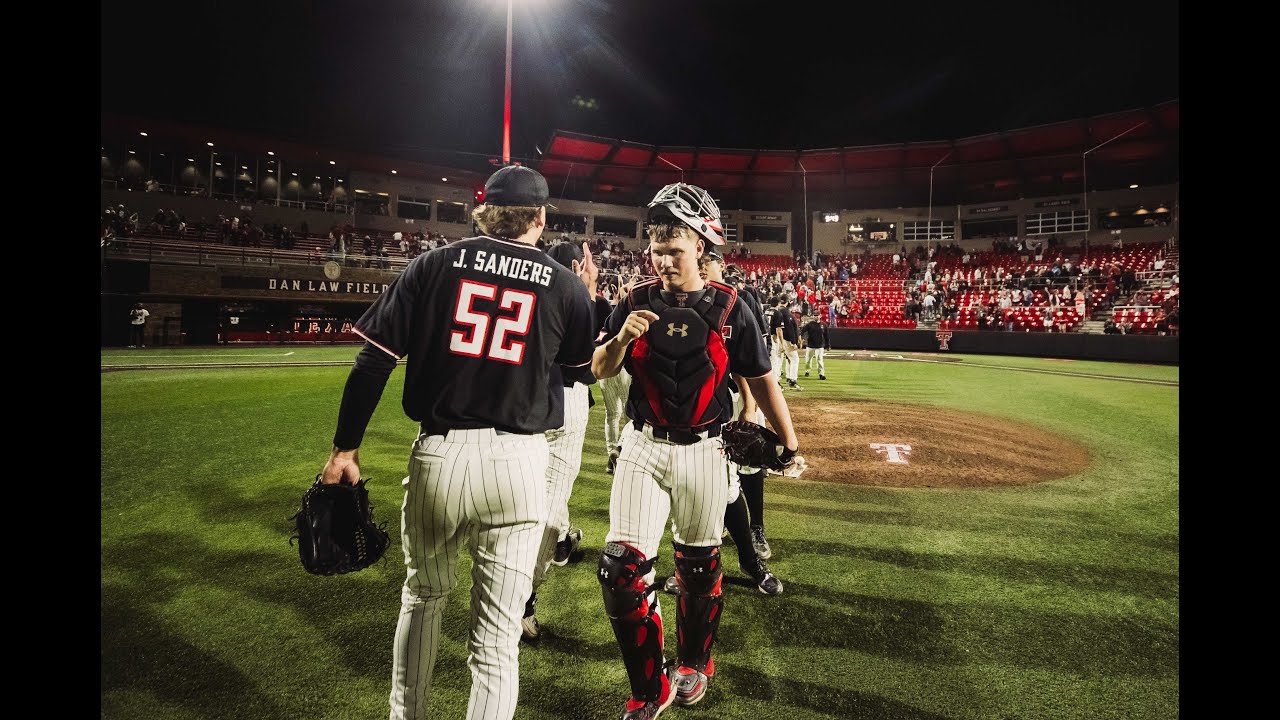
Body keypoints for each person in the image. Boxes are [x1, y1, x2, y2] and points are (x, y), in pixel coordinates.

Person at [316, 165, 596, 720]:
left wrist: (345, 449)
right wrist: (583, 302)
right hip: (520, 463)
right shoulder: (565, 284)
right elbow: (579, 372)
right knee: (495, 642)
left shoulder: (434, 264)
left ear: (483, 211)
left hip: (441, 455)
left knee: (423, 600)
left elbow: (373, 360)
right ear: (540, 218)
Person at [592, 182, 800, 718]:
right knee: (620, 570)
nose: (663, 260)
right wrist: (618, 340)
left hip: (706, 449)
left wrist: (790, 442)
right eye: (657, 249)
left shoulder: (733, 308)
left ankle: (692, 663)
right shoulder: (632, 301)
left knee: (700, 568)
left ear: (702, 247)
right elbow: (600, 371)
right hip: (643, 445)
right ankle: (647, 689)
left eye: (674, 250)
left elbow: (764, 378)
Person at [520, 240, 605, 642]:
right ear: (576, 263)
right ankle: (522, 602)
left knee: (520, 498)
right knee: (549, 504)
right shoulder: (571, 291)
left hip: (521, 396)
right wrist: (586, 289)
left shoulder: (527, 284)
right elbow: (584, 360)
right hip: (564, 396)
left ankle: (565, 536)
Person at [771, 298, 802, 390]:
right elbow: (790, 329)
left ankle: (776, 381)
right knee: (794, 359)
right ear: (787, 302)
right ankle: (792, 381)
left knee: (777, 360)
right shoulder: (787, 313)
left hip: (775, 339)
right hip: (785, 339)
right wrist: (793, 342)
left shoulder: (774, 311)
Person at [801, 314, 828, 380]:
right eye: (814, 315)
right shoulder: (809, 324)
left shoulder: (823, 325)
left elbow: (826, 336)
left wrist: (828, 345)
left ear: (820, 316)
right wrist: (802, 338)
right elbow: (802, 330)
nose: (816, 317)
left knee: (819, 360)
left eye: (817, 315)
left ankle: (821, 374)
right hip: (810, 345)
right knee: (808, 360)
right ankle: (807, 371)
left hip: (820, 345)